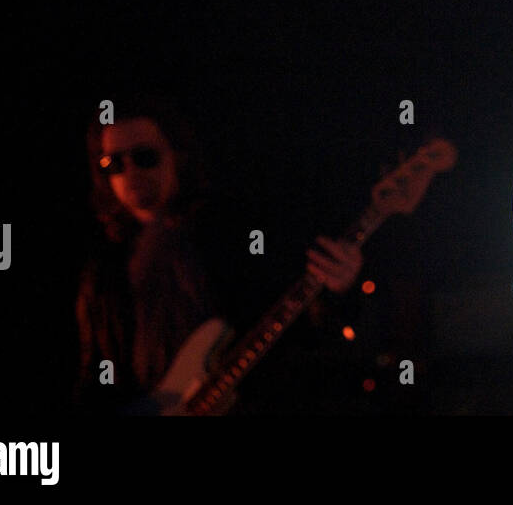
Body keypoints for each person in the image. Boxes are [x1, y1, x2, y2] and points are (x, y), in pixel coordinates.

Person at [74, 97, 362, 412]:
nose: (129, 171)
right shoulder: (102, 271)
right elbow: (95, 376)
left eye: (144, 156)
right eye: (113, 163)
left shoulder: (233, 235)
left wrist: (339, 290)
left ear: (177, 156)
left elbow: (304, 334)